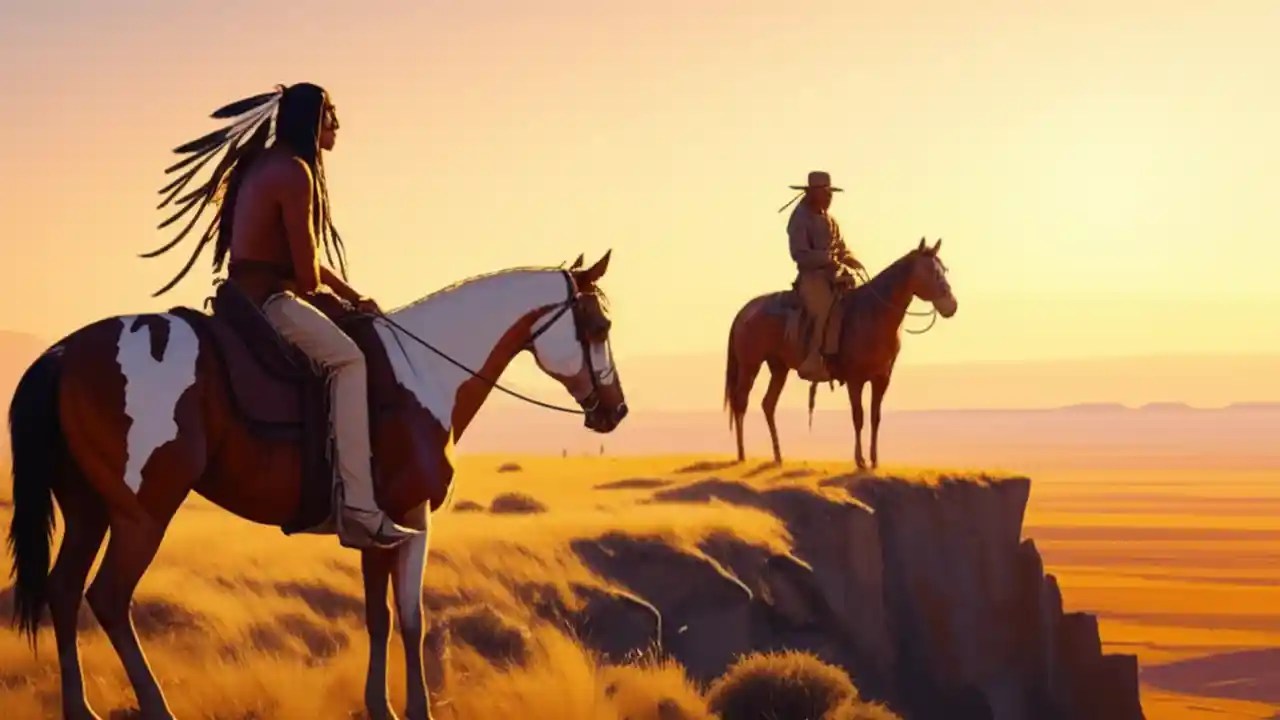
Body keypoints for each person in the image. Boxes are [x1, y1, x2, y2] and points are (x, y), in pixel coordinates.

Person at [148, 82, 421, 549]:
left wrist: (352, 293)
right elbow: (307, 277)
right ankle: (358, 506)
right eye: (331, 116)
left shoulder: (260, 164)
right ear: (313, 121)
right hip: (270, 302)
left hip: (240, 298)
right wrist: (345, 300)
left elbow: (307, 263)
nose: (337, 126)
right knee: (349, 361)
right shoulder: (297, 173)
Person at [784, 171, 864, 382]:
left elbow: (841, 248)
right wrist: (828, 258)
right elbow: (799, 254)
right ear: (813, 193)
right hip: (812, 277)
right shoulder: (799, 219)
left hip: (835, 275)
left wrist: (850, 259)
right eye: (825, 193)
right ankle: (814, 359)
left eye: (830, 193)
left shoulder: (830, 220)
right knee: (825, 310)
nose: (829, 197)